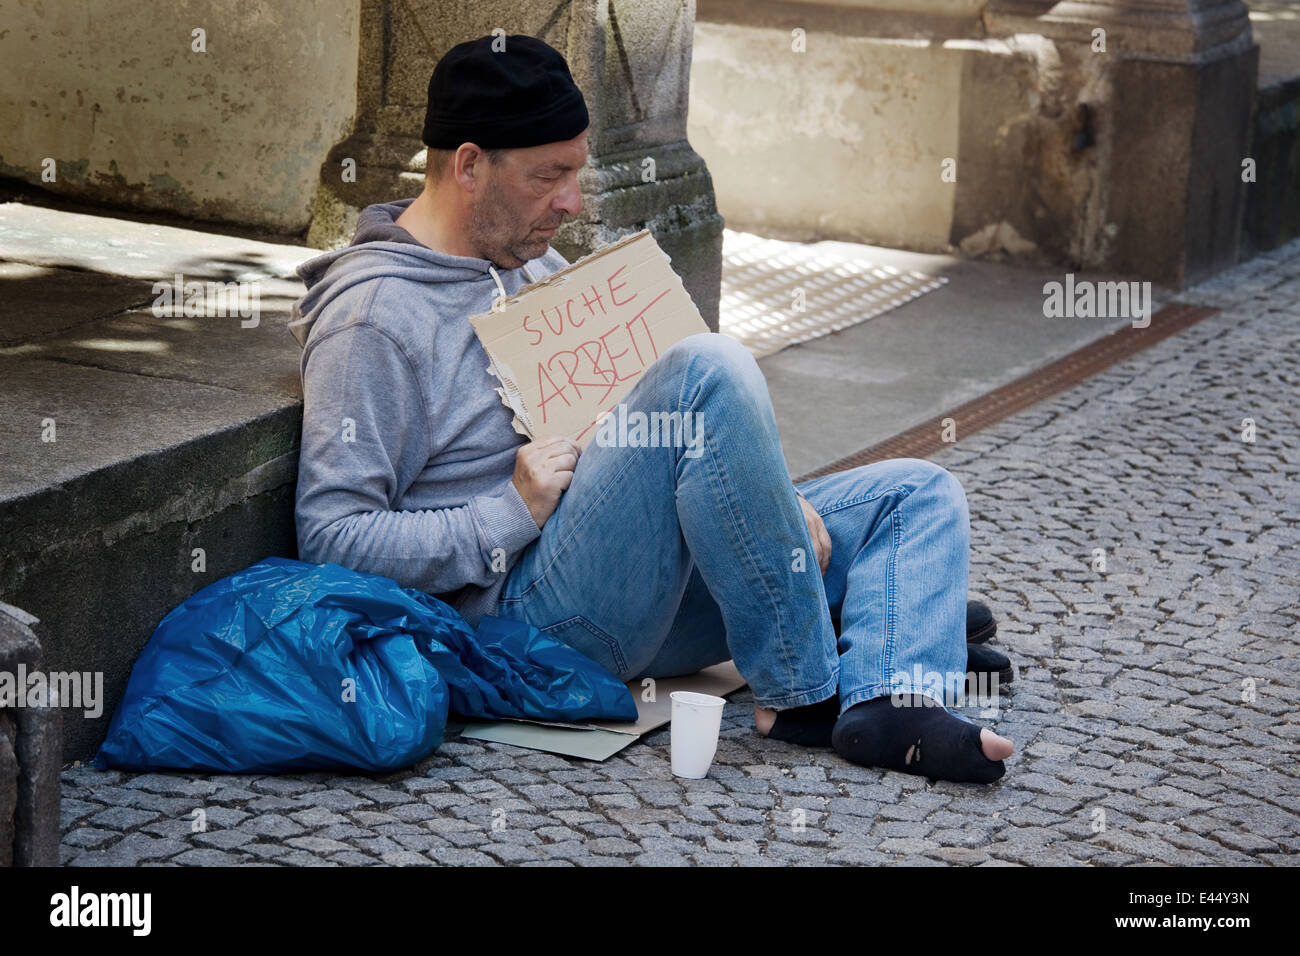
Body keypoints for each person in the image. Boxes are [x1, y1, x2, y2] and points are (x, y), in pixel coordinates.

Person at [289, 34, 1014, 783]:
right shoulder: (372, 320)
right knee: (709, 367)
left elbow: (670, 433)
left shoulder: (529, 260)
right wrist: (507, 510)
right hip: (534, 619)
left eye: (577, 171)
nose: (571, 203)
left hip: (640, 575)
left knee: (917, 492)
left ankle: (893, 698)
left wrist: (777, 507)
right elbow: (332, 541)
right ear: (469, 165)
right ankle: (807, 686)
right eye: (550, 176)